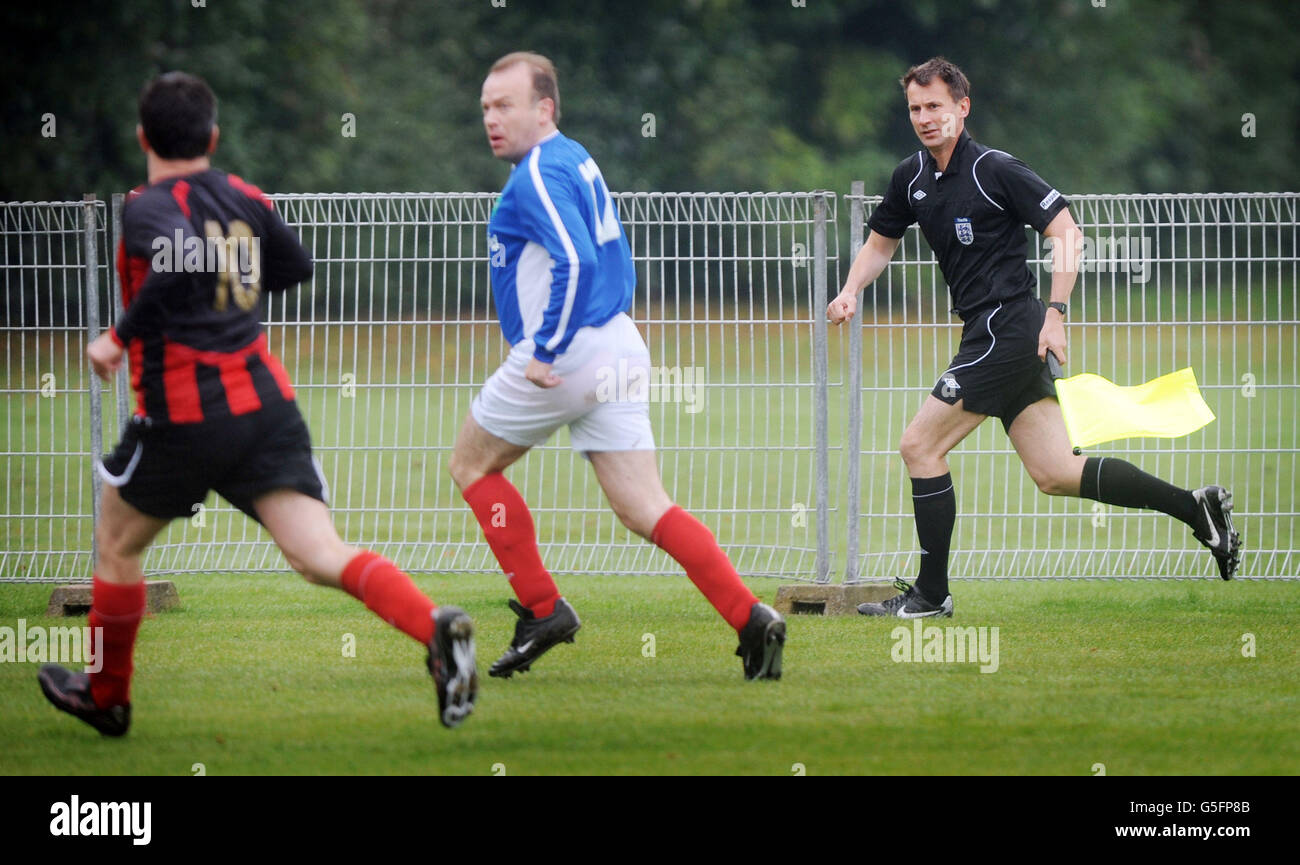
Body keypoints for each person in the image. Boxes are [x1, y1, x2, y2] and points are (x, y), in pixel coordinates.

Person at [38, 71, 477, 734]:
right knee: (318, 554)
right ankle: (434, 626)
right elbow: (295, 266)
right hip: (265, 407)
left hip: (184, 412)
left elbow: (179, 258)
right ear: (213, 136)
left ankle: (108, 696)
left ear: (141, 137)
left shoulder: (145, 205)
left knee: (115, 546)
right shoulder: (245, 196)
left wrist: (116, 338)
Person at [827, 57, 1240, 618]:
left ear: (962, 107)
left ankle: (931, 595)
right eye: (915, 109)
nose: (925, 119)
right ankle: (1196, 508)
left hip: (1011, 329)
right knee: (1055, 474)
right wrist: (851, 288)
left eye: (935, 107)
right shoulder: (911, 179)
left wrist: (1056, 312)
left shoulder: (995, 169)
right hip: (988, 332)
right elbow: (880, 243)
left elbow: (1067, 231)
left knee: (919, 447)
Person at [452, 52, 785, 680]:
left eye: (506, 106)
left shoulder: (537, 173)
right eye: (486, 108)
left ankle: (542, 607)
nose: (492, 119)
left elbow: (575, 261)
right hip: (619, 342)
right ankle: (751, 618)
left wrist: (544, 350)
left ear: (544, 108)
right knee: (645, 508)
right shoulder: (573, 155)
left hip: (570, 349)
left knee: (470, 465)